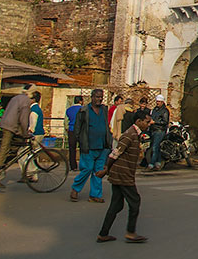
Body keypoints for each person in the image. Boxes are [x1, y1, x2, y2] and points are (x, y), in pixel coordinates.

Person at [96, 108, 152, 244]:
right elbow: (116, 153)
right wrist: (106, 169)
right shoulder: (129, 134)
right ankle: (130, 232)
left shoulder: (135, 134)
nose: (149, 123)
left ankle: (103, 233)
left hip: (121, 173)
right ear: (138, 121)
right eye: (147, 121)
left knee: (116, 205)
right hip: (123, 174)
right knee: (135, 201)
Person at [70, 88, 112, 202]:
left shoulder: (104, 110)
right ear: (92, 97)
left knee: (98, 172)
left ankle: (95, 195)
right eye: (97, 97)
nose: (99, 99)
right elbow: (77, 129)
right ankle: (75, 189)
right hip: (88, 146)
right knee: (87, 169)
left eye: (101, 97)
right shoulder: (84, 111)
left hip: (102, 146)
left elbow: (106, 125)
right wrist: (81, 141)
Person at [0, 84, 34, 188]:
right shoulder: (26, 101)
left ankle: (2, 168)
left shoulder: (16, 97)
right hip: (11, 127)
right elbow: (23, 120)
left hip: (6, 124)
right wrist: (26, 133)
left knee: (12, 147)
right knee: (4, 149)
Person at [148, 95, 169, 171]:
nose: (158, 103)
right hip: (153, 130)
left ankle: (151, 163)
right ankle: (158, 162)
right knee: (156, 147)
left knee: (155, 147)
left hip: (160, 130)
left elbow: (165, 121)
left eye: (159, 101)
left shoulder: (165, 111)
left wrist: (155, 122)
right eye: (157, 101)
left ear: (162, 102)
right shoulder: (155, 109)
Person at [66, 95, 84, 171]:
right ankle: (82, 165)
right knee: (82, 148)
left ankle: (73, 166)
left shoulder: (69, 110)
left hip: (71, 130)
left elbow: (66, 121)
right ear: (80, 101)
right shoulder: (83, 109)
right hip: (81, 130)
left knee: (72, 149)